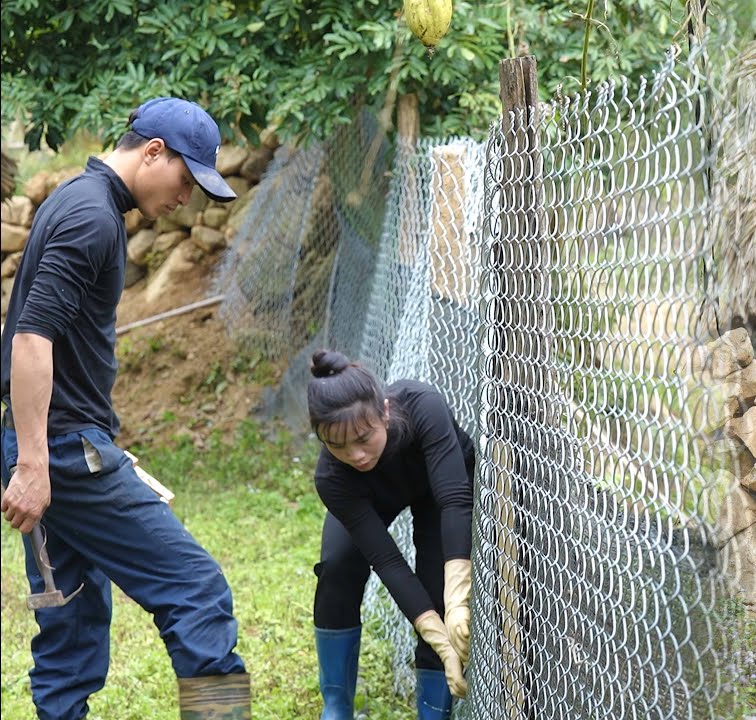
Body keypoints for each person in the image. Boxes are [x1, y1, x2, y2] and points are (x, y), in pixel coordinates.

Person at [1, 98, 249, 718]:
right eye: (186, 179)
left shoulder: (77, 200)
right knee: (196, 590)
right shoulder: (92, 217)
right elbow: (32, 339)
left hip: (60, 442)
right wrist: (36, 463)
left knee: (70, 614)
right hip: (61, 451)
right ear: (153, 151)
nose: (186, 199)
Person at [307, 349, 474, 720]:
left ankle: (433, 713)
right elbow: (386, 560)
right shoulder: (333, 478)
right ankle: (336, 705)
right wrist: (435, 634)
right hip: (369, 497)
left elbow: (454, 499)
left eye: (364, 438)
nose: (357, 455)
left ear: (383, 411)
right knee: (338, 566)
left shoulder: (422, 406)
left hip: (439, 491)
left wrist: (458, 599)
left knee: (437, 591)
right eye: (337, 446)